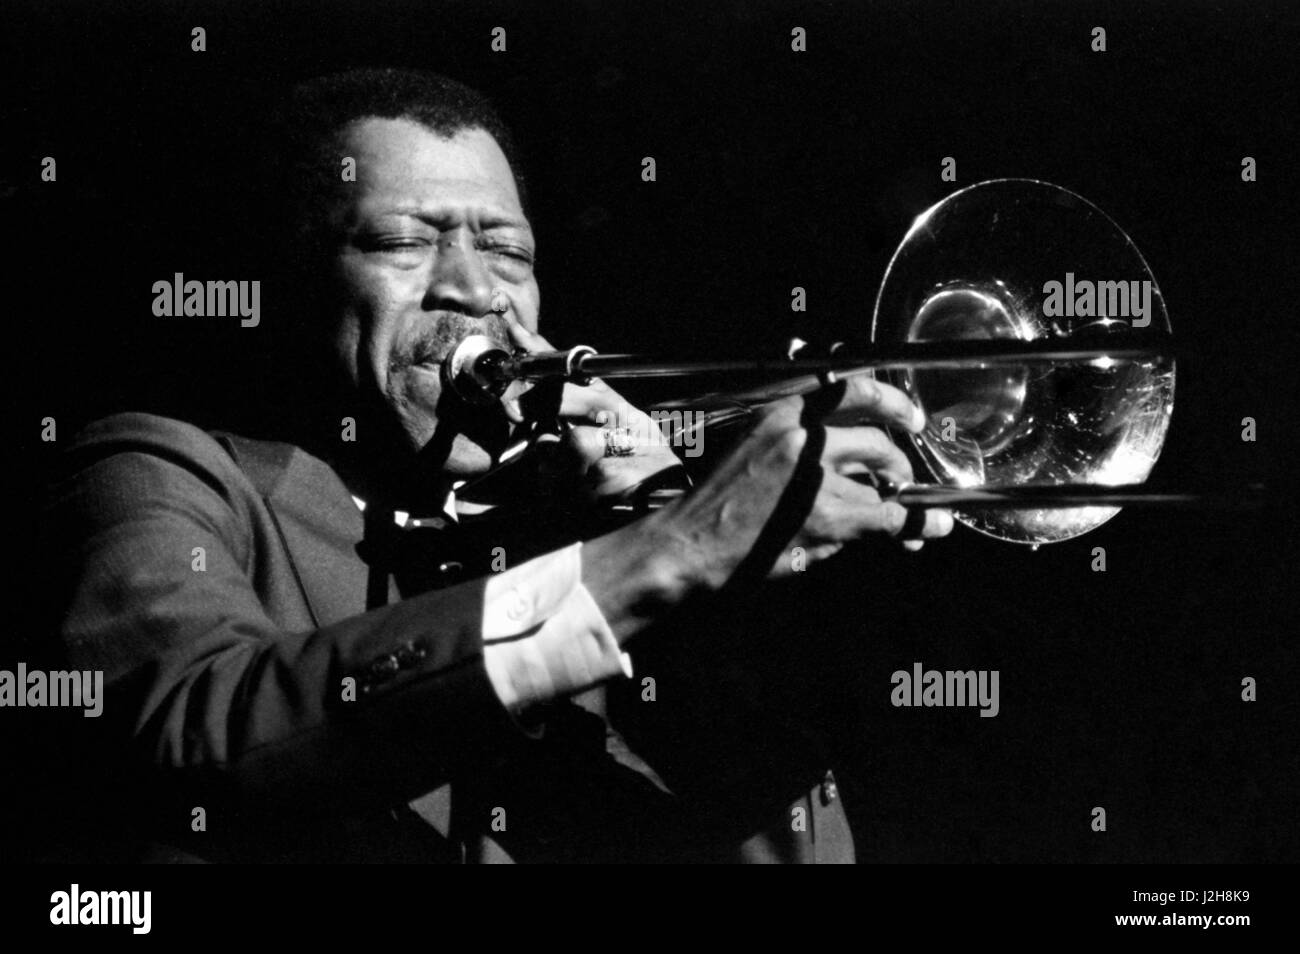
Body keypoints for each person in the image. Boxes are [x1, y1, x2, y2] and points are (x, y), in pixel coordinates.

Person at [37, 68, 952, 863]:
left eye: (507, 249)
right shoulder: (162, 468)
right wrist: (670, 551)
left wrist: (683, 591)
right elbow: (199, 731)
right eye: (405, 242)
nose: (476, 291)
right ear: (295, 274)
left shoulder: (581, 542)